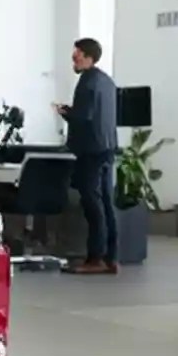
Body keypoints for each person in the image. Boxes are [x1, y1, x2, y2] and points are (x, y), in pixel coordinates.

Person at [55, 37, 119, 275]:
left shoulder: (87, 82)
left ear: (88, 56)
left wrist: (66, 113)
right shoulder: (107, 82)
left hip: (90, 151)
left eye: (77, 54)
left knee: (92, 204)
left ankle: (95, 257)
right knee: (105, 203)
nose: (74, 58)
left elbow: (84, 117)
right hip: (107, 148)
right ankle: (111, 256)